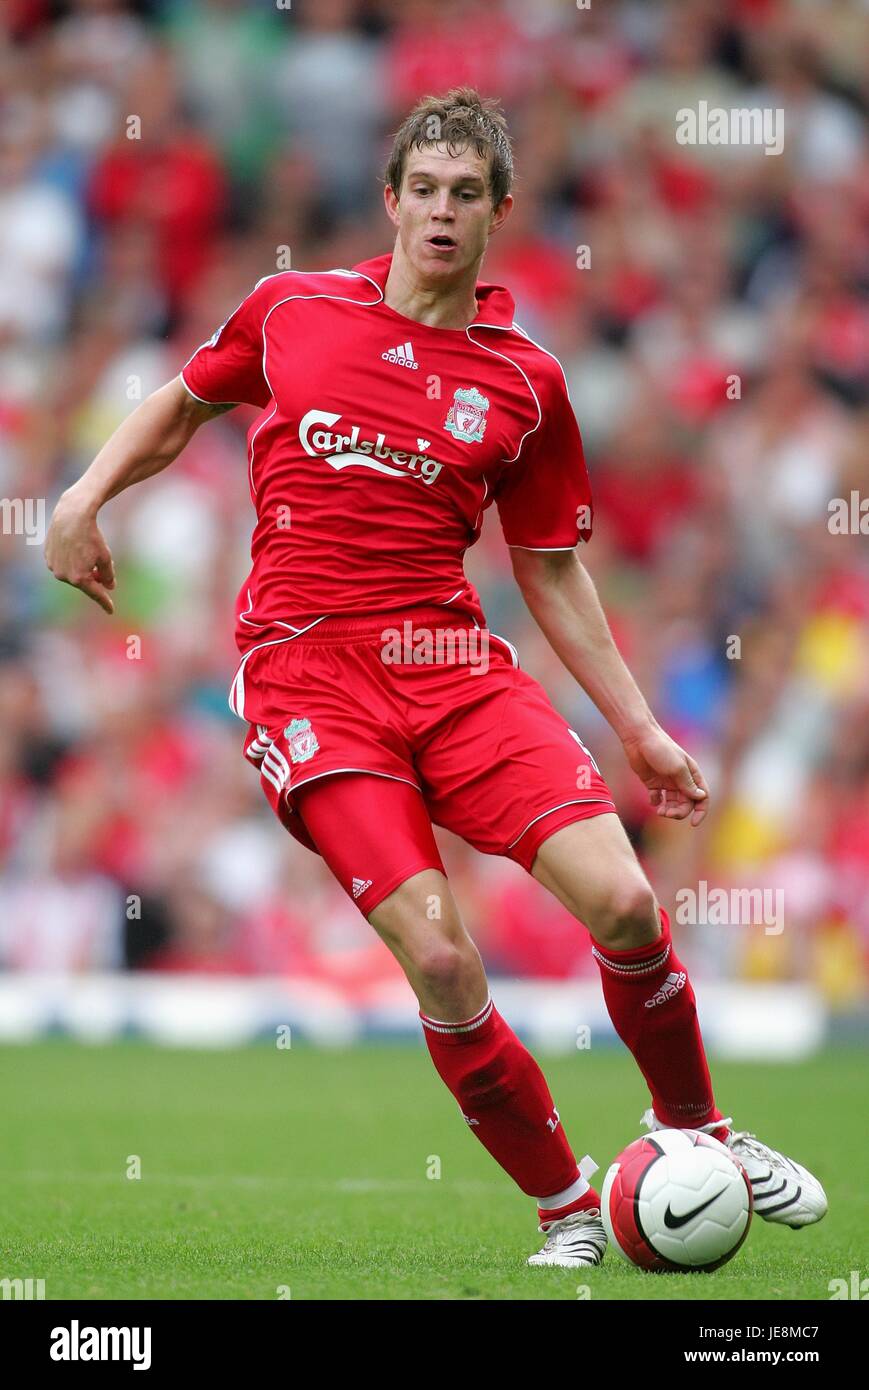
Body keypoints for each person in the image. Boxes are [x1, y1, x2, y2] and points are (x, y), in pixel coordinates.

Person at [45, 88, 827, 1267]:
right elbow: (182, 403)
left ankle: (698, 1128)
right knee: (445, 957)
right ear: (391, 200)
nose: (441, 212)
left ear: (501, 210)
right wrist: (83, 496)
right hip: (309, 679)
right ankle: (567, 1207)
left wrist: (638, 729)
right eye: (423, 190)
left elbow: (552, 573)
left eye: (467, 193)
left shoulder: (524, 382)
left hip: (456, 670)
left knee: (623, 901)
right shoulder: (293, 308)